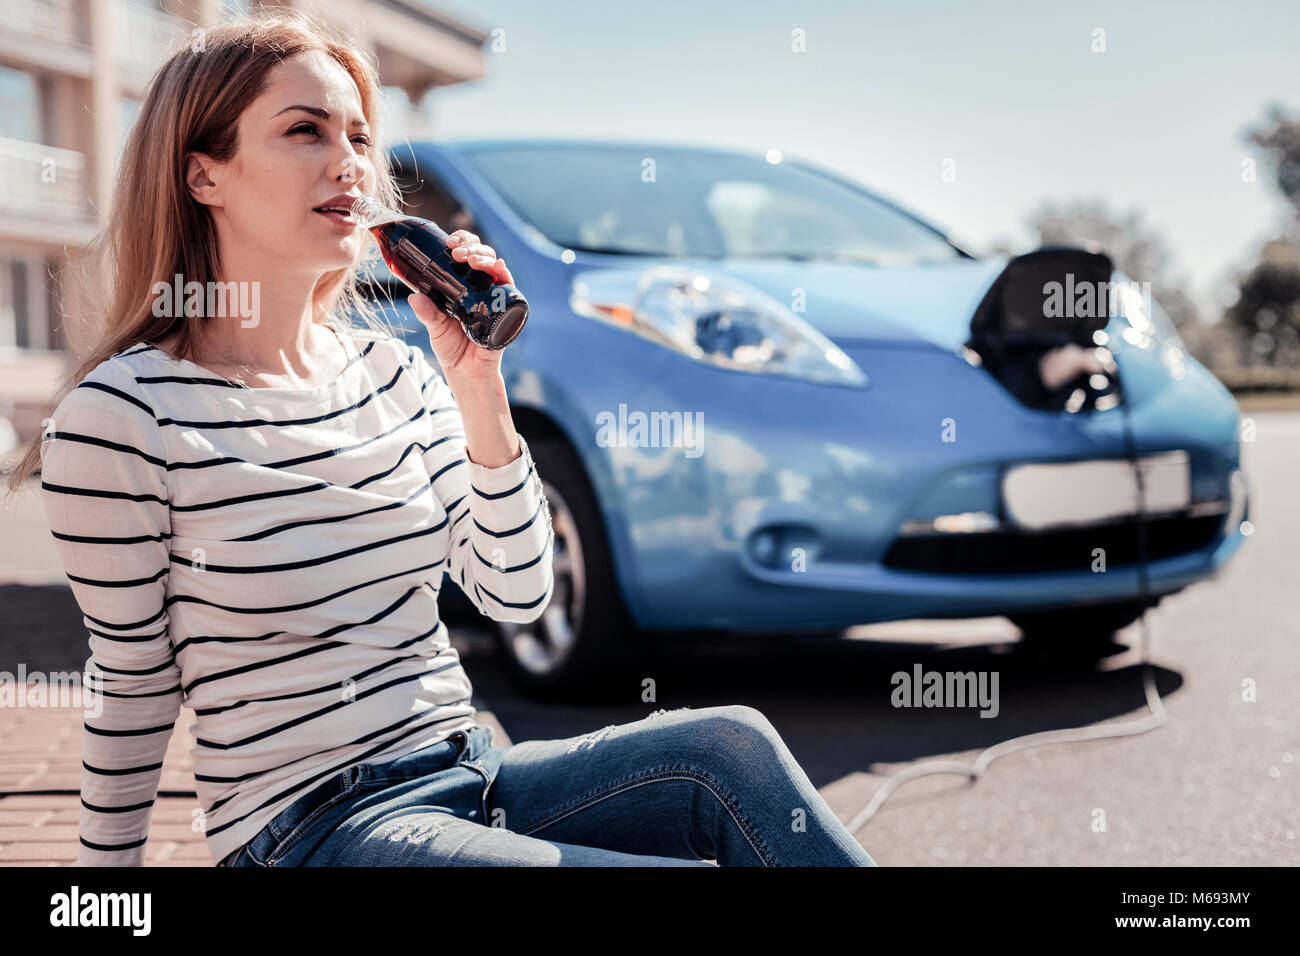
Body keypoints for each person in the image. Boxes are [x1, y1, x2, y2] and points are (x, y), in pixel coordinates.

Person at [4, 11, 875, 868]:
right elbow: (133, 690)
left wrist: (476, 383)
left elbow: (517, 594)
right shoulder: (120, 416)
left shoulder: (397, 372)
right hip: (313, 829)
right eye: (304, 131)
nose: (349, 162)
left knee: (730, 750)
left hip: (472, 770)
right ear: (204, 177)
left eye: (356, 135)